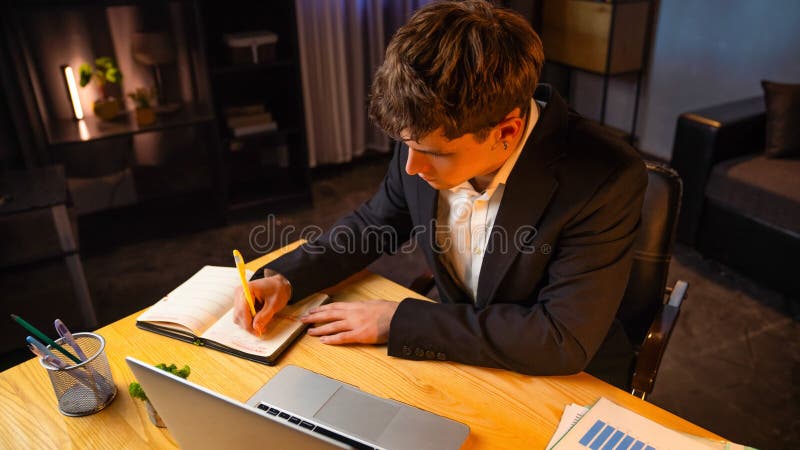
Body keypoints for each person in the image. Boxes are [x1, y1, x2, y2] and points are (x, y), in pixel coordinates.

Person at [233, 0, 646, 386]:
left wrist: (399, 322)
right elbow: (375, 223)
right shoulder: (425, 131)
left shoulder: (605, 178)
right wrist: (288, 277)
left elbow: (558, 338)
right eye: (405, 145)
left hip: (564, 382)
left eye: (433, 153)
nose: (411, 167)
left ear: (506, 132)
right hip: (460, 357)